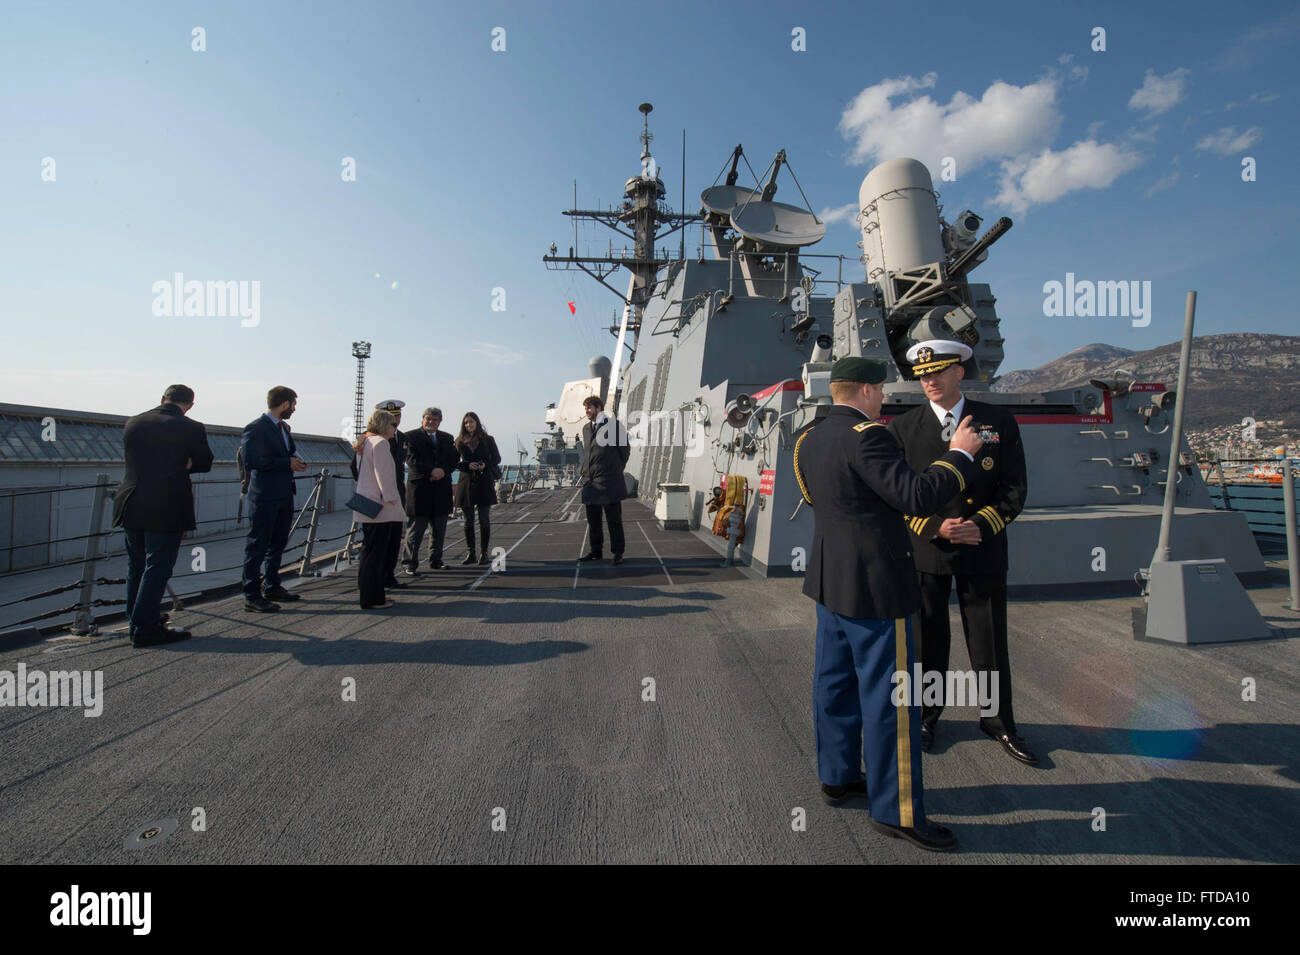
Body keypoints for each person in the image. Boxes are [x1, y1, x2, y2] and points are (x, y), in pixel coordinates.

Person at [795, 356, 981, 851]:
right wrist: (959, 455)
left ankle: (836, 777)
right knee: (892, 701)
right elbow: (915, 496)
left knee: (833, 684)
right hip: (875, 590)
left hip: (830, 584)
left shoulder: (808, 439)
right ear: (867, 392)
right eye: (880, 391)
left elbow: (825, 500)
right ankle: (897, 811)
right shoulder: (869, 435)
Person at [888, 340, 1036, 764]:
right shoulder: (905, 428)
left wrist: (979, 525)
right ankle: (926, 718)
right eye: (922, 374)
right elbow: (897, 494)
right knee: (927, 641)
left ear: (959, 372)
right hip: (927, 550)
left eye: (938, 371)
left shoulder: (997, 421)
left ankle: (997, 721)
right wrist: (935, 526)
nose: (929, 380)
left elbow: (1014, 488)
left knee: (988, 640)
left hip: (981, 546)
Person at [112, 384, 214, 647]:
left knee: (136, 566)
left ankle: (137, 620)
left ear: (162, 399)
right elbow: (204, 462)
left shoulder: (133, 422)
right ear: (190, 404)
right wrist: (185, 463)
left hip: (131, 501)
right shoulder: (192, 427)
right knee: (158, 567)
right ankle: (145, 629)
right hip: (166, 505)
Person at [240, 386, 307, 612]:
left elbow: (288, 452)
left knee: (278, 543)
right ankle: (251, 594)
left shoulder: (284, 428)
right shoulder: (256, 428)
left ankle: (272, 586)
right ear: (285, 403)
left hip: (284, 494)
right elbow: (251, 460)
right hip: (264, 497)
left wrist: (295, 461)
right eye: (294, 404)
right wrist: (286, 463)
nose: (295, 409)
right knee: (257, 545)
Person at [351, 410, 406, 608]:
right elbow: (385, 476)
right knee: (376, 554)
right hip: (380, 506)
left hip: (366, 502)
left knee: (369, 551)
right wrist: (393, 500)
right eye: (393, 424)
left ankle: (371, 591)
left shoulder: (364, 442)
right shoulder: (381, 443)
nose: (395, 428)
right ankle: (373, 598)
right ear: (385, 425)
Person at [402, 407, 458, 574]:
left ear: (440, 421)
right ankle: (410, 563)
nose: (431, 422)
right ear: (423, 419)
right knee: (415, 531)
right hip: (420, 490)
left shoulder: (447, 438)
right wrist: (431, 472)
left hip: (441, 490)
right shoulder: (410, 437)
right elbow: (411, 459)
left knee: (439, 530)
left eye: (435, 419)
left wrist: (443, 471)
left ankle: (436, 560)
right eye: (428, 419)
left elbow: (454, 458)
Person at [578, 395, 630, 565]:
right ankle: (595, 551)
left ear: (598, 408)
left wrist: (615, 470)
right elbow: (588, 453)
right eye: (585, 407)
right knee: (593, 521)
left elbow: (624, 450)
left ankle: (618, 552)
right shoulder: (586, 429)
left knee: (614, 520)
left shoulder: (613, 426)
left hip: (609, 482)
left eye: (589, 407)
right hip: (591, 482)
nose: (586, 411)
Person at [454, 411, 501, 566]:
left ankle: (484, 553)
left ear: (477, 422)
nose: (469, 425)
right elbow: (454, 462)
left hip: (483, 482)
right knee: (468, 521)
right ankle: (471, 553)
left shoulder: (487, 440)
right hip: (466, 482)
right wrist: (467, 465)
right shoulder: (459, 441)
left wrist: (485, 464)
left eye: (471, 422)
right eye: (466, 422)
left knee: (484, 519)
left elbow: (496, 458)